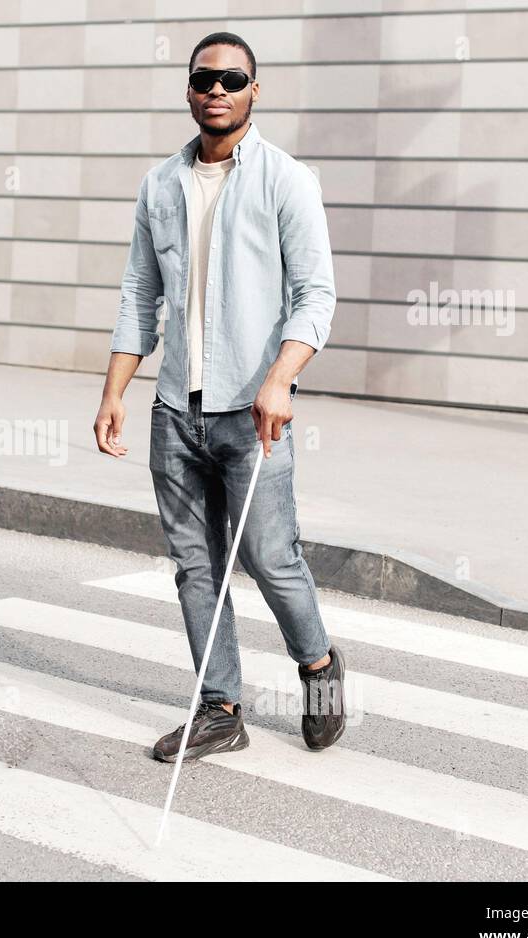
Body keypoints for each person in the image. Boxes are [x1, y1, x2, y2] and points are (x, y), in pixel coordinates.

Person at [93, 31, 346, 762]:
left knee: (271, 555)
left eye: (233, 79)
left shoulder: (286, 181)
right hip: (176, 411)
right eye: (205, 78)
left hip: (251, 412)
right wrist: (115, 391)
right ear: (188, 89)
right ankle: (220, 707)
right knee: (195, 566)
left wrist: (279, 378)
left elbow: (316, 296)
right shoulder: (159, 186)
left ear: (253, 92)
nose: (217, 89)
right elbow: (140, 296)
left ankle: (321, 665)